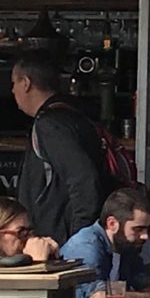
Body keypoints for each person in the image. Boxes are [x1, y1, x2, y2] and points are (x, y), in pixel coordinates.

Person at [12, 51, 107, 245]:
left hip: (58, 240)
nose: (12, 91)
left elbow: (83, 179)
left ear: (26, 83)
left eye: (14, 83)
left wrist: (78, 238)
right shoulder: (77, 115)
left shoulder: (50, 125)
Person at [58, 184, 150, 298]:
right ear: (112, 224)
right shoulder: (87, 247)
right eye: (138, 229)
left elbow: (146, 284)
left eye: (147, 229)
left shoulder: (126, 247)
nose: (145, 236)